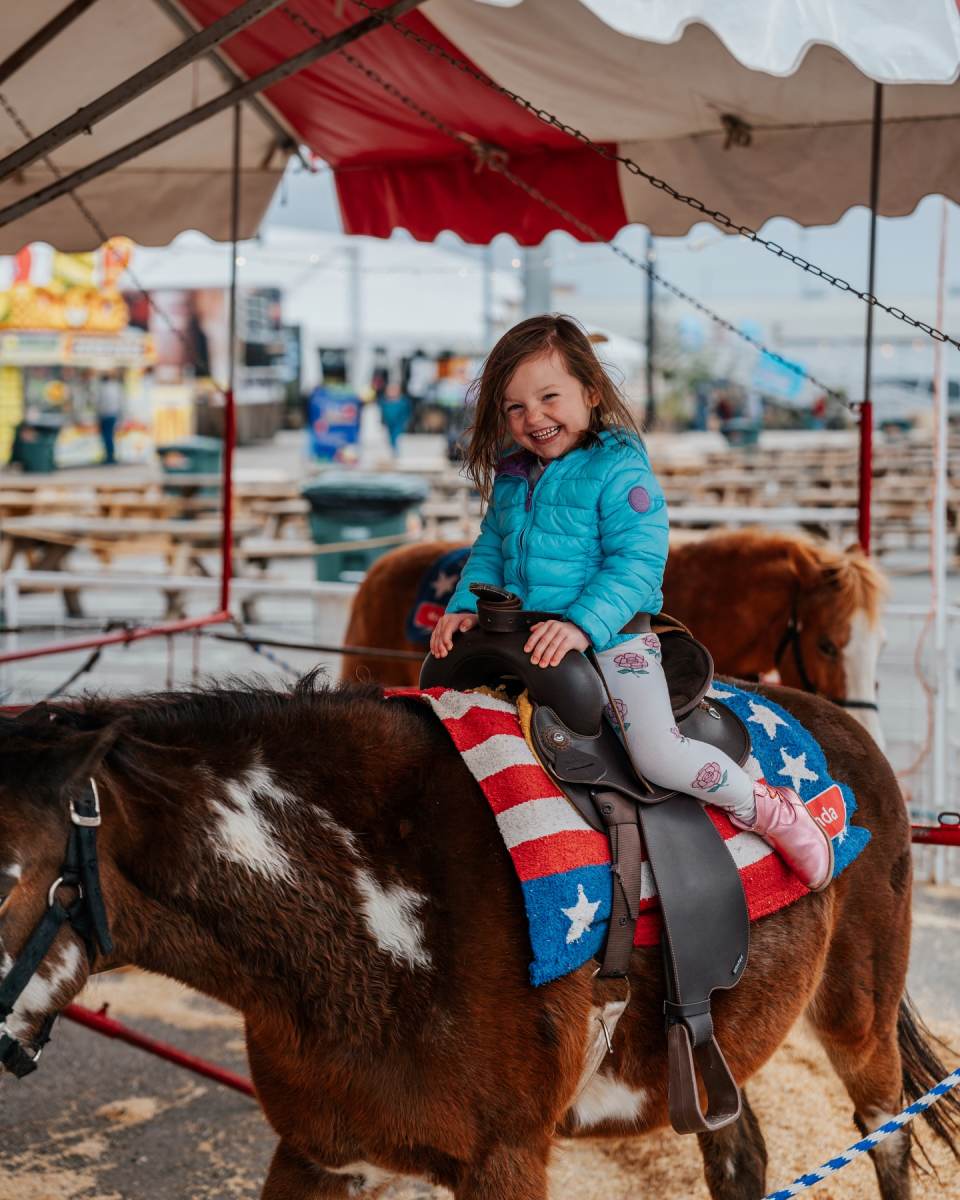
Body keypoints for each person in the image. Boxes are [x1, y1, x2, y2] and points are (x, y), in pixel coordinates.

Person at [429, 314, 833, 892]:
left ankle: (766, 808)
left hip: (615, 636)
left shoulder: (619, 468)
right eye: (515, 408)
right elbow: (491, 549)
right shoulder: (515, 476)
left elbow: (637, 562)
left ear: (590, 394)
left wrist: (581, 624)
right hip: (527, 639)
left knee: (656, 753)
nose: (533, 418)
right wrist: (467, 605)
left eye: (549, 397)